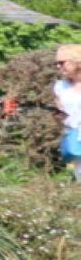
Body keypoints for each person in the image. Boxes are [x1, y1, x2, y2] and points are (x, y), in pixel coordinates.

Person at [55, 46, 81, 180]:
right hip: (75, 138)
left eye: (62, 62)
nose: (59, 67)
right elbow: (61, 112)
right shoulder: (60, 87)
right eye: (57, 63)